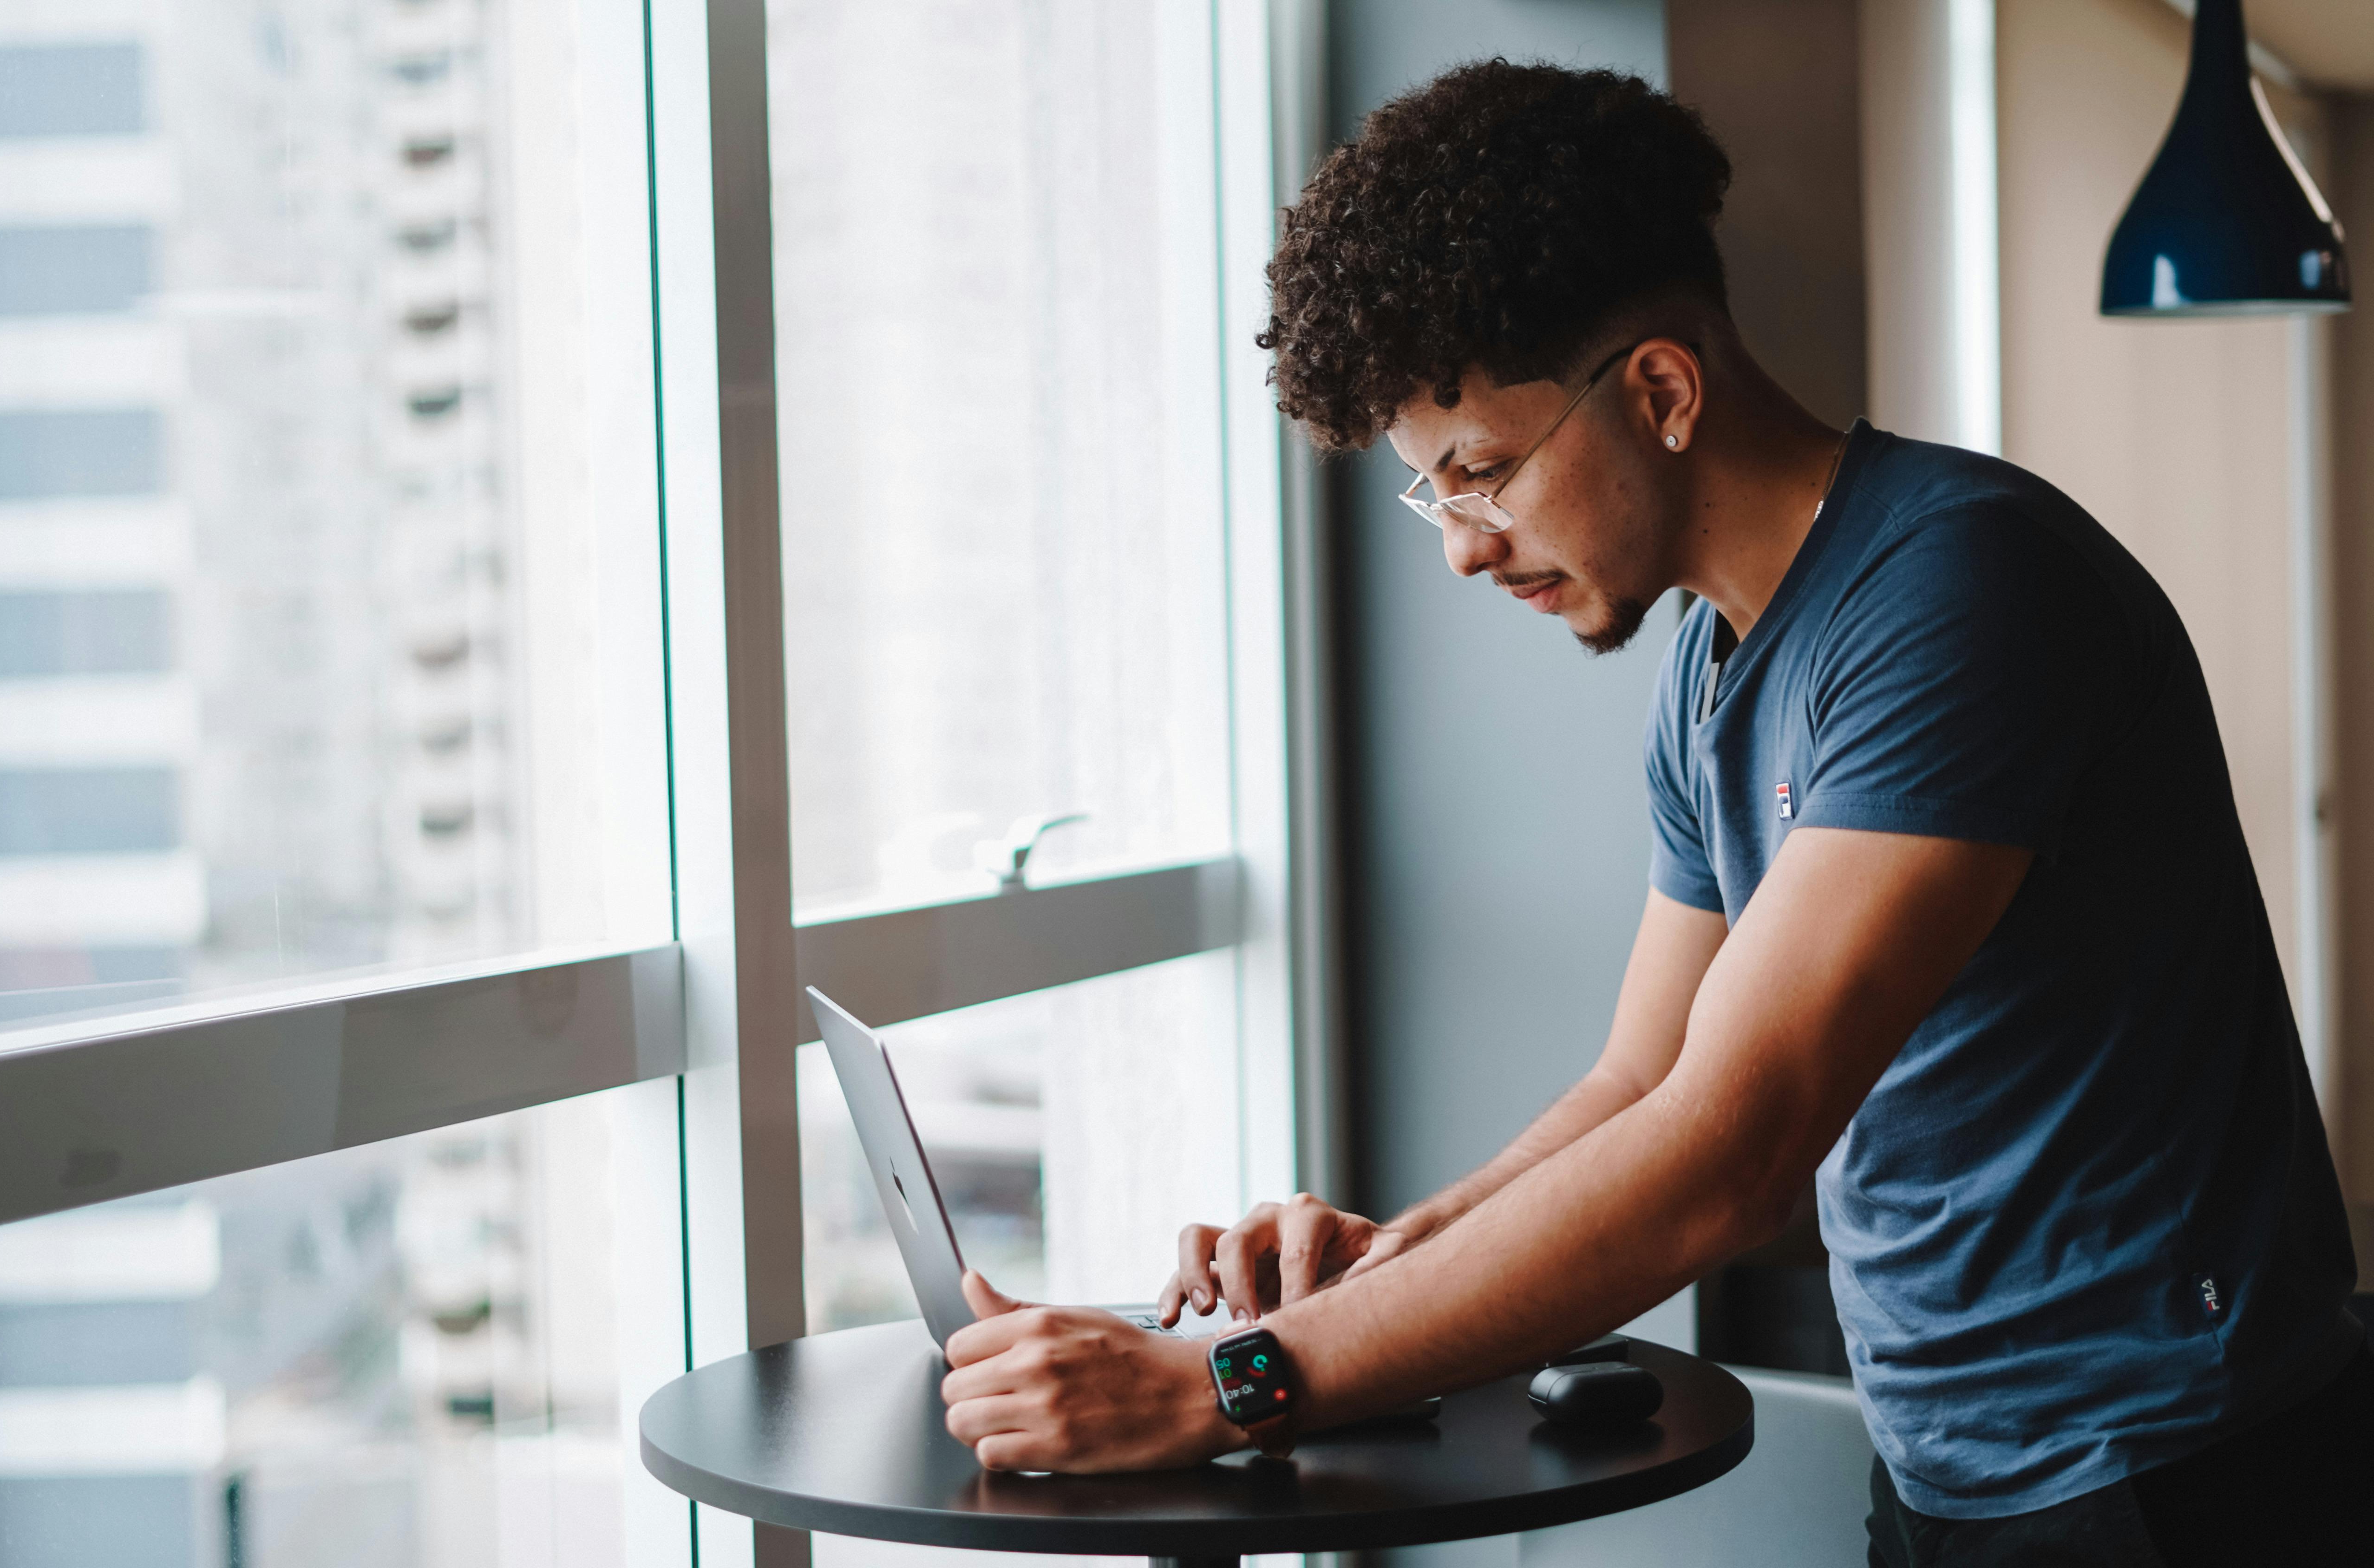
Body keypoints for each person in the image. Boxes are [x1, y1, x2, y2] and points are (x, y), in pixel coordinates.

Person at [931, 59, 2368, 1565]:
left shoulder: (1961, 593)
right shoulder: (1713, 667)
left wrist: (1228, 1389)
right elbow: (1641, 1079)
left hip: (2184, 1473)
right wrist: (1398, 1258)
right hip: (1960, 1469)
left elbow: (1730, 1155)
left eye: (1482, 474)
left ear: (1663, 392)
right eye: (1438, 495)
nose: (1466, 552)